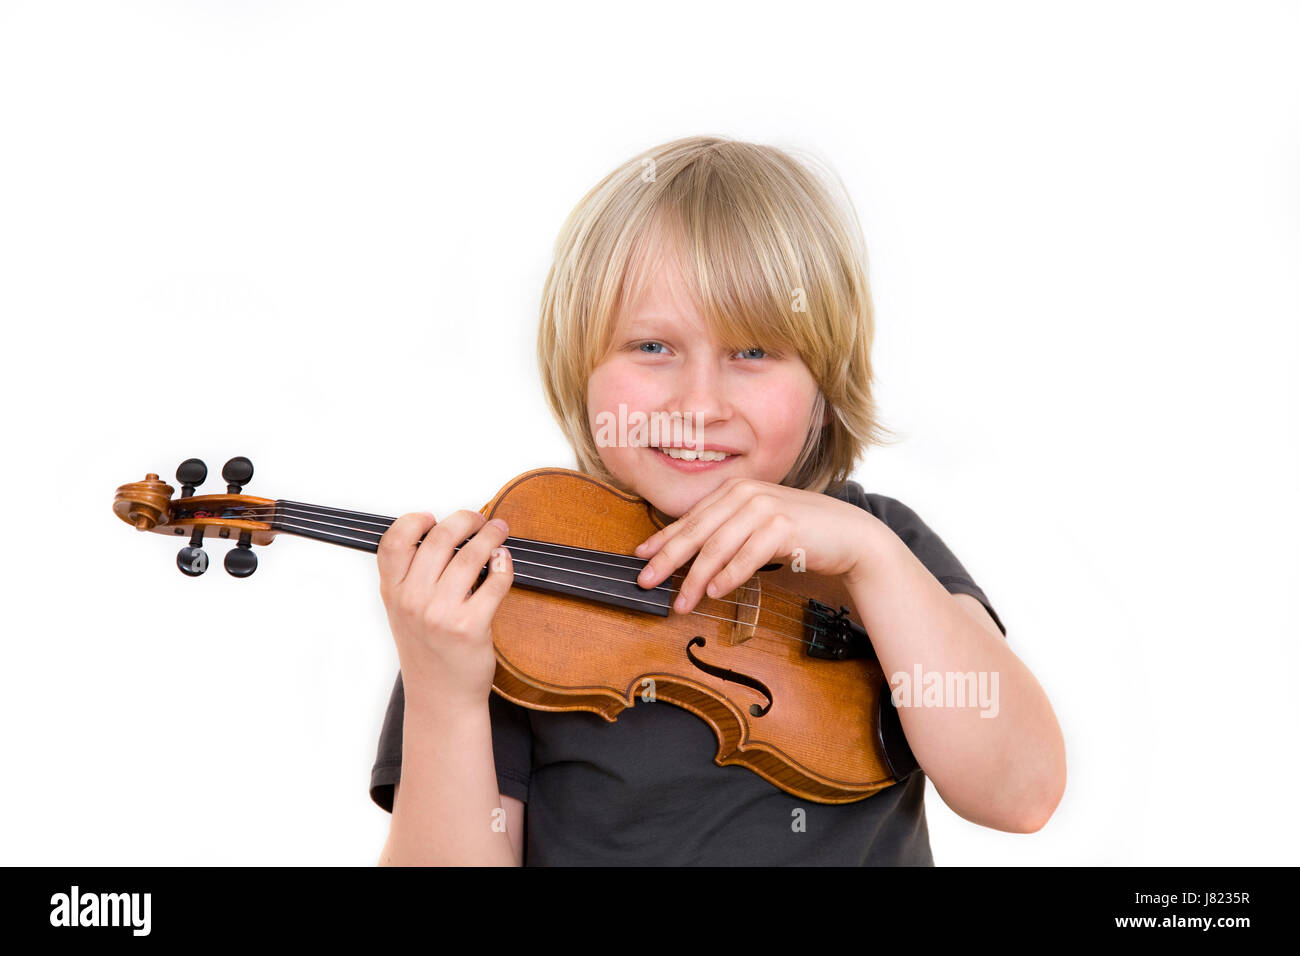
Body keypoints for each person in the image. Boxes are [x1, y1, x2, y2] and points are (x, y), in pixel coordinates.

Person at [369, 135, 1066, 865]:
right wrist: (445, 691)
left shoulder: (879, 544)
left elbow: (1019, 794)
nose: (697, 404)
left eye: (753, 352)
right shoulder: (507, 591)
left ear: (824, 389)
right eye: (651, 347)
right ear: (581, 368)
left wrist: (873, 561)